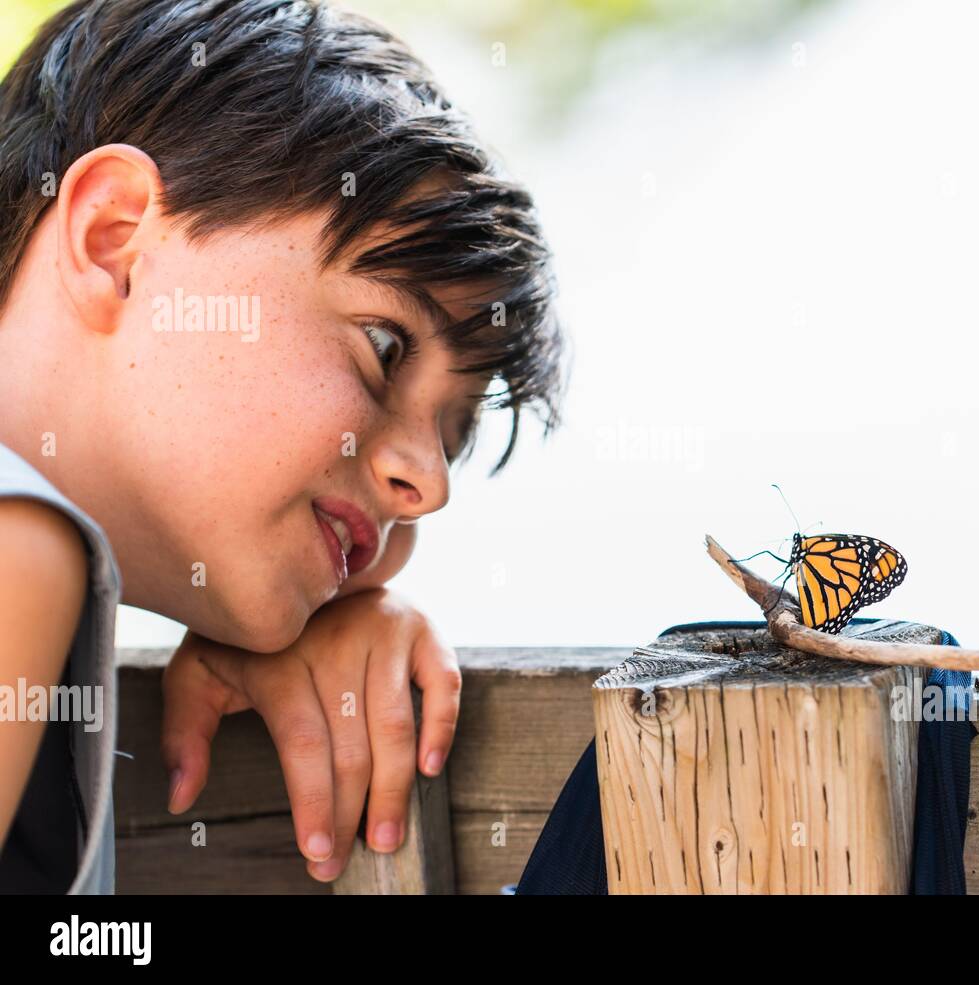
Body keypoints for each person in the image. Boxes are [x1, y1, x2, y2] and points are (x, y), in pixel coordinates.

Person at [0, 0, 565, 892]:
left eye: (451, 440)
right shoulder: (19, 549)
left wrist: (263, 615)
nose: (426, 483)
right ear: (114, 240)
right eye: (383, 346)